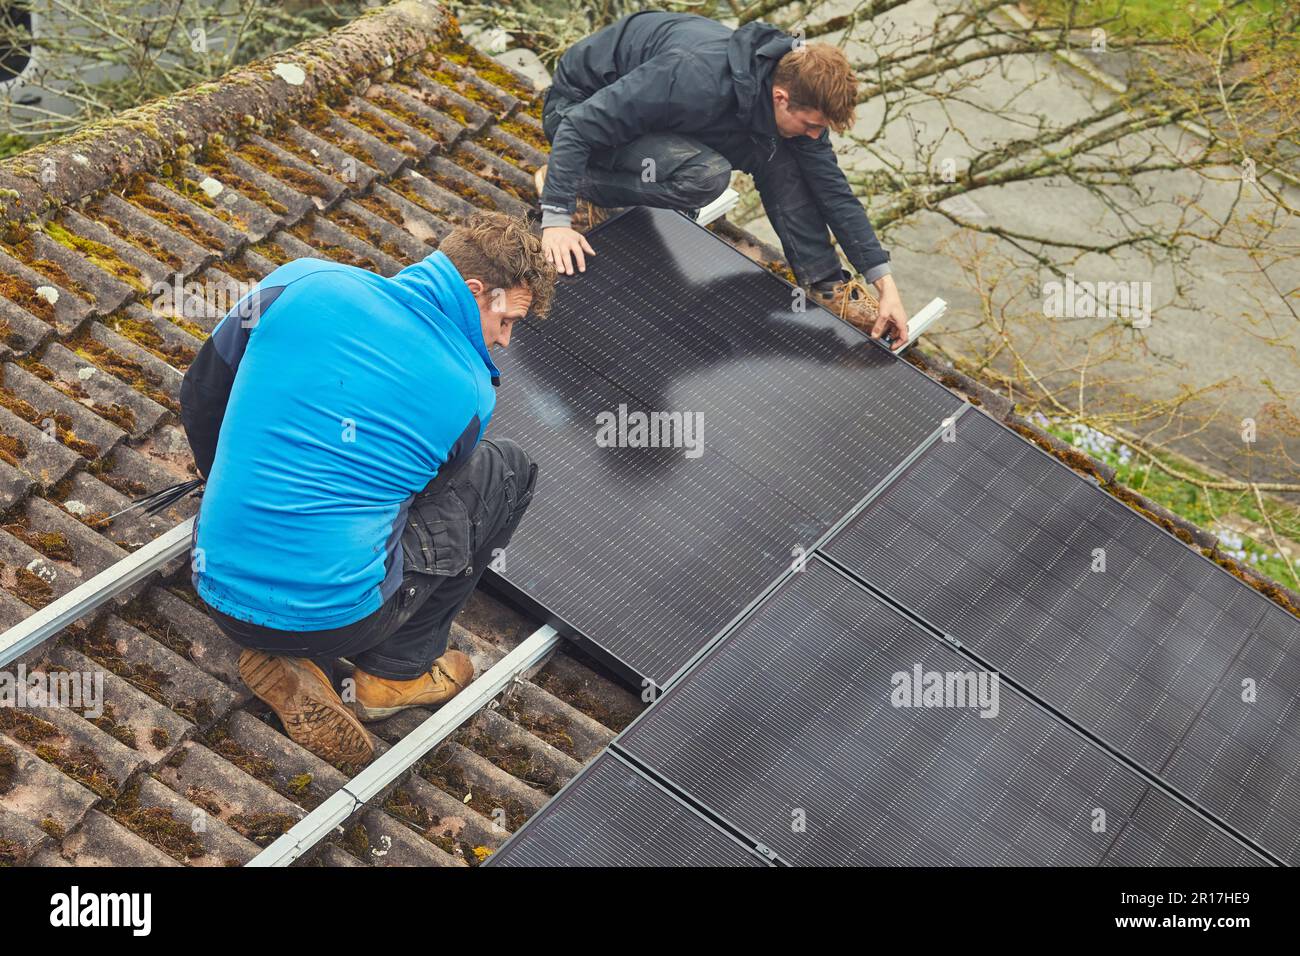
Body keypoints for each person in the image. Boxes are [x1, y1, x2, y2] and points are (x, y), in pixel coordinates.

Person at [179, 212, 555, 767]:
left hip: (214, 578)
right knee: (509, 468)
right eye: (506, 319)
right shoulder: (470, 390)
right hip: (337, 620)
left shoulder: (300, 281)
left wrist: (231, 485)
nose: (504, 338)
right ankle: (395, 673)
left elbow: (201, 394)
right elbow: (420, 503)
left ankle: (287, 647)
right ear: (474, 290)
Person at [535, 11, 909, 348]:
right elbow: (579, 126)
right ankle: (581, 185)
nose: (815, 134)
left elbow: (833, 191)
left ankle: (827, 285)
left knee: (778, 155)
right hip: (575, 108)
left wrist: (885, 283)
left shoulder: (796, 98)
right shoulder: (693, 75)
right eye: (811, 125)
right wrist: (556, 219)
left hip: (652, 125)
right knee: (705, 175)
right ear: (781, 97)